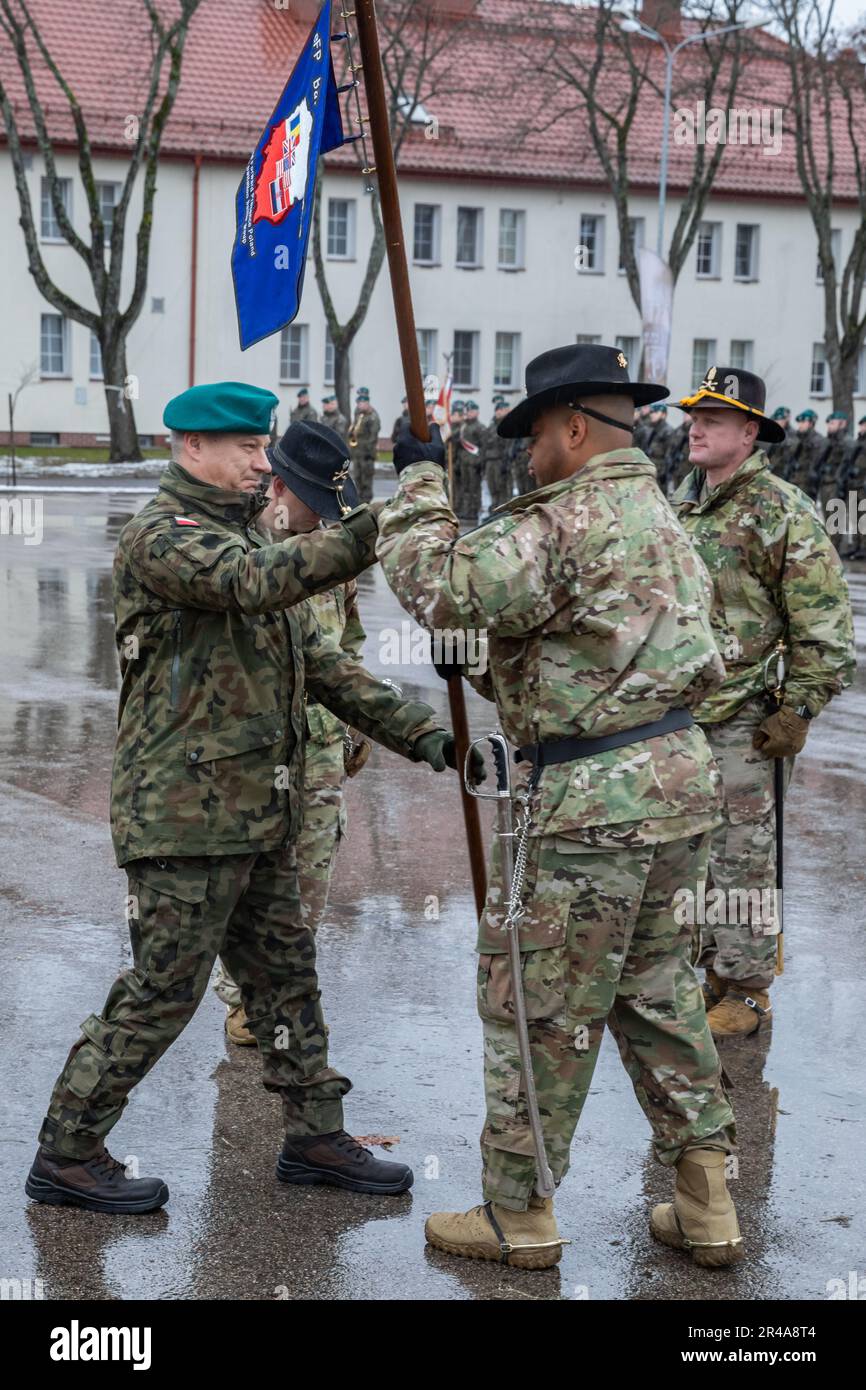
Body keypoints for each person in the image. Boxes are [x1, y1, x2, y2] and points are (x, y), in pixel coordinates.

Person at [25, 390, 463, 1215]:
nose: (265, 464)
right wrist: (392, 514)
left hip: (259, 814)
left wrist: (435, 742)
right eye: (246, 448)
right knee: (163, 990)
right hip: (184, 818)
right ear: (192, 445)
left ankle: (314, 1136)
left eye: (263, 448)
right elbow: (257, 585)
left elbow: (325, 668)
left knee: (286, 982)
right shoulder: (164, 538)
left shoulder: (245, 536)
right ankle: (68, 1151)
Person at [378, 343, 742, 1271]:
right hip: (677, 787)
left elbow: (445, 583)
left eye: (534, 433)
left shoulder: (564, 513)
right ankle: (707, 1199)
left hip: (586, 804)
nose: (527, 453)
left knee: (538, 1005)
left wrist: (420, 484)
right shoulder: (664, 512)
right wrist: (501, 655)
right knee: (660, 993)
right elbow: (633, 635)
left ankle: (518, 1215)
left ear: (575, 426)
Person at [671, 367, 855, 1037]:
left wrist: (797, 710)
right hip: (683, 716)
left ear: (749, 433)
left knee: (743, 856)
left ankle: (748, 990)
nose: (695, 426)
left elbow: (826, 626)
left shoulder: (781, 509)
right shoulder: (683, 502)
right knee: (692, 852)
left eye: (713, 419)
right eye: (694, 416)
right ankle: (712, 969)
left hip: (750, 718)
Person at [214, 435, 377, 1046]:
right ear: (279, 489)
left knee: (310, 879)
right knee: (246, 882)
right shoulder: (232, 554)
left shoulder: (329, 557)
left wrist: (357, 721)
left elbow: (349, 643)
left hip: (321, 753)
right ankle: (242, 1000)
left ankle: (283, 994)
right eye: (316, 503)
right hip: (254, 753)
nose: (326, 519)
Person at [839, 415, 866, 559]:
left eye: (864, 425)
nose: (862, 428)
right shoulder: (857, 443)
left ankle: (864, 547)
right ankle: (856, 546)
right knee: (854, 517)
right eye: (861, 425)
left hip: (863, 486)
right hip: (853, 484)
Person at [349, 387, 381, 504]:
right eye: (358, 403)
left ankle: (366, 503)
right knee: (357, 477)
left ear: (367, 403)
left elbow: (373, 437)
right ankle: (358, 502)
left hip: (367, 453)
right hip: (357, 452)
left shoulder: (373, 416)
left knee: (366, 480)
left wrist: (368, 451)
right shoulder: (358, 413)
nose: (359, 405)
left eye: (362, 403)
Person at [482, 398, 512, 513]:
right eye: (498, 410)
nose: (499, 412)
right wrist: (483, 463)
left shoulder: (507, 426)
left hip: (501, 460)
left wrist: (506, 463)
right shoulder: (491, 427)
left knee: (502, 487)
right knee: (492, 486)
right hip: (490, 461)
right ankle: (494, 508)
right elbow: (484, 446)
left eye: (502, 410)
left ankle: (502, 509)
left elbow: (508, 445)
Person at [457, 400, 485, 524]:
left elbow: (483, 446)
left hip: (474, 463)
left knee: (474, 488)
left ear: (477, 413)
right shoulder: (464, 426)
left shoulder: (480, 427)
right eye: (467, 411)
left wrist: (480, 462)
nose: (468, 413)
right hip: (464, 462)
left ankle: (474, 510)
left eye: (471, 411)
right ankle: (466, 510)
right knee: (466, 487)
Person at [785, 409, 823, 497]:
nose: (800, 424)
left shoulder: (818, 440)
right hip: (792, 480)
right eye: (799, 422)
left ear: (811, 423)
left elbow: (816, 463)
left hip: (807, 484)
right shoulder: (795, 437)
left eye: (803, 422)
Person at [642, 402, 673, 489]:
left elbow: (669, 455)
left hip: (660, 471)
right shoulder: (650, 428)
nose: (652, 415)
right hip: (649, 467)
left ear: (663, 414)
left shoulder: (668, 431)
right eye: (651, 412)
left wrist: (665, 473)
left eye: (656, 412)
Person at [765, 406, 794, 477]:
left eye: (783, 420)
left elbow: (781, 454)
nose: (780, 422)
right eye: (778, 420)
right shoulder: (768, 426)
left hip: (777, 470)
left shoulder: (790, 435)